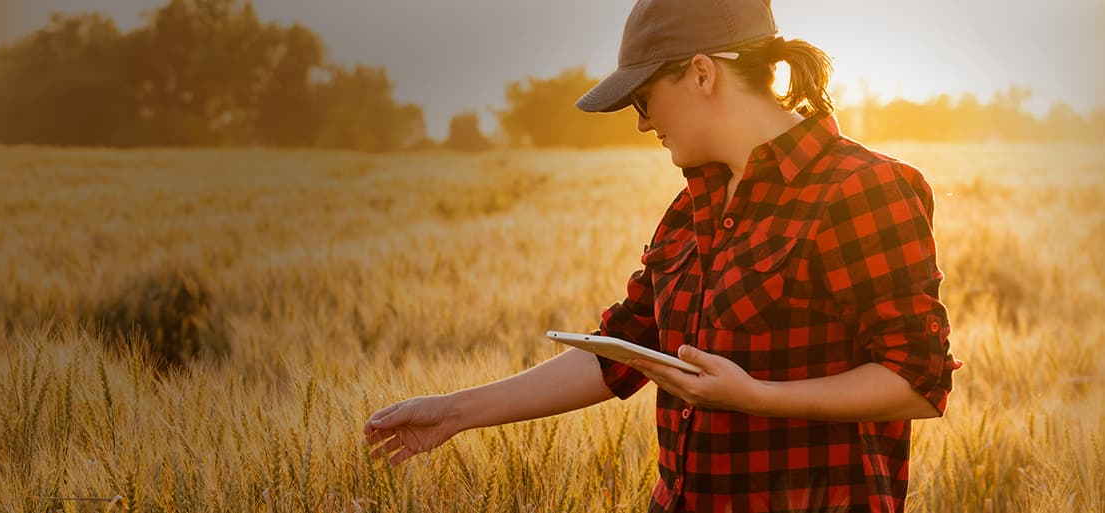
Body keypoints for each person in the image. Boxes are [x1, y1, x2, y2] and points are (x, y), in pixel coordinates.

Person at [363, 0, 959, 511]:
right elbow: (619, 354)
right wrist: (453, 414)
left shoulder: (860, 189)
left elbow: (917, 382)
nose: (643, 124)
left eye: (644, 99)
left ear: (702, 73)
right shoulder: (689, 207)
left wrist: (754, 398)